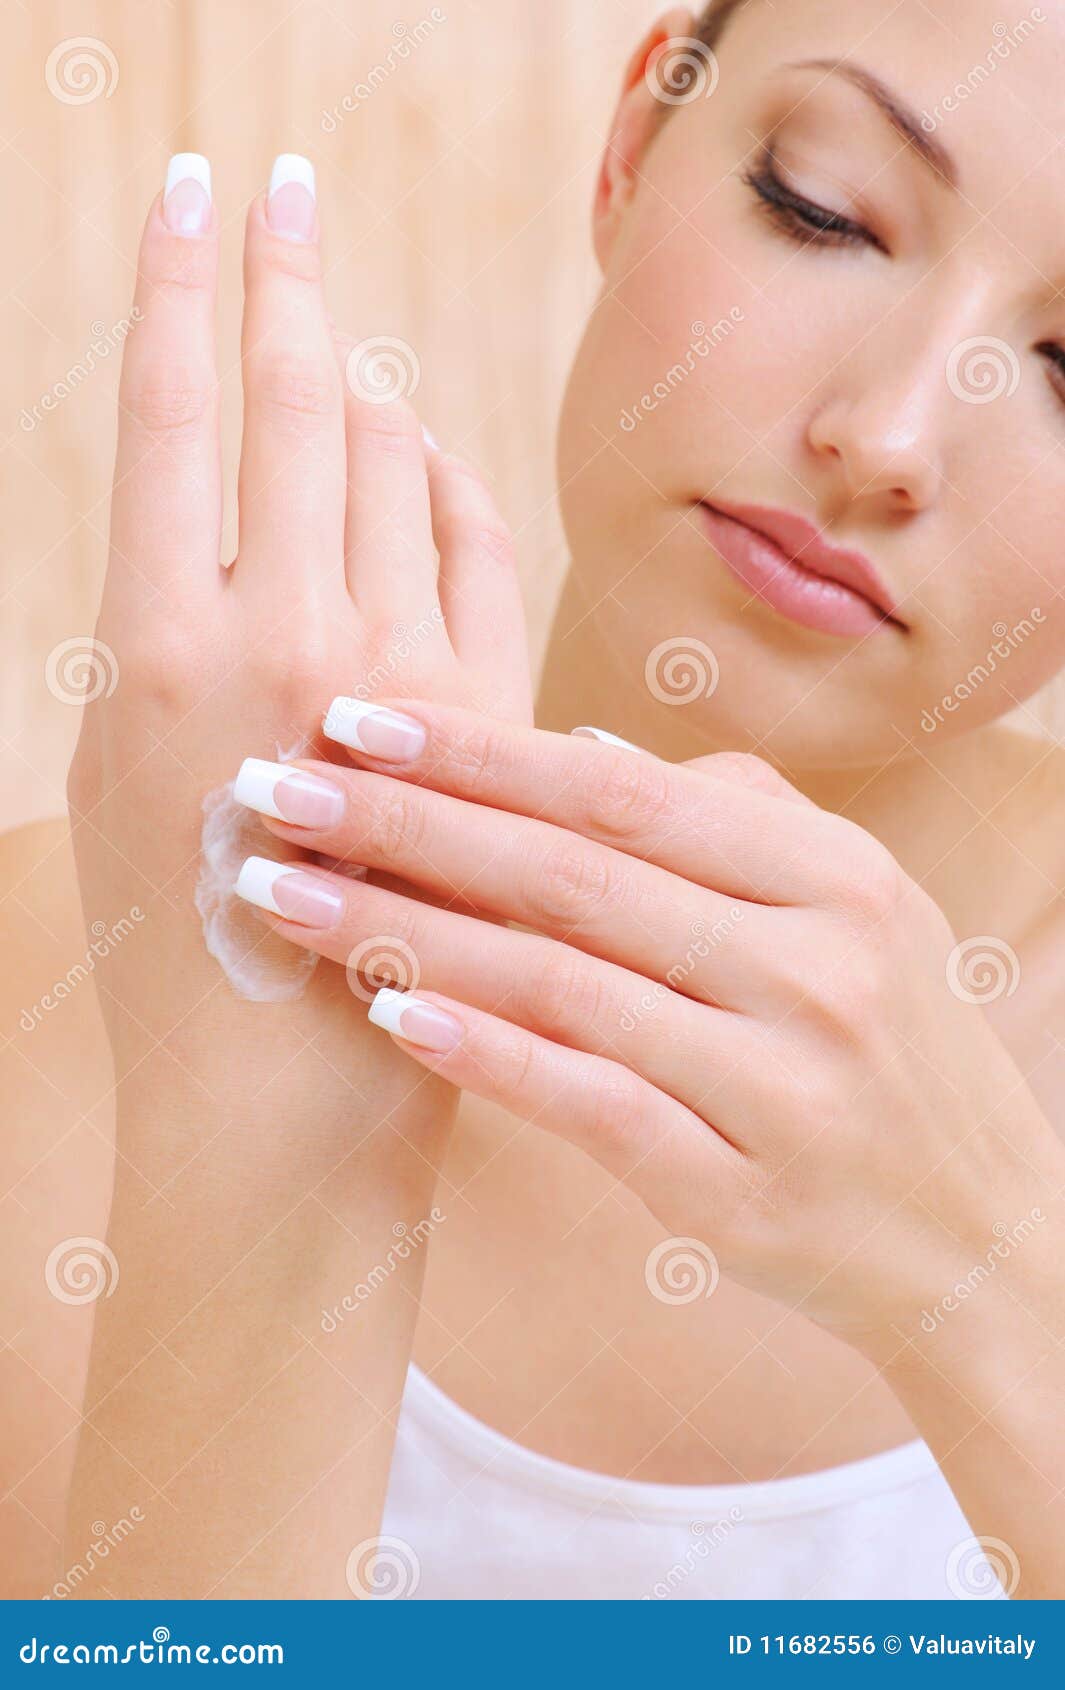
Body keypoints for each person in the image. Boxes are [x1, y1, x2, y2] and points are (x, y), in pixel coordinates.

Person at [3, 0, 1063, 1600]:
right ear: (634, 146)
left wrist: (988, 1286)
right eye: (821, 207)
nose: (889, 438)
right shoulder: (67, 989)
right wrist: (264, 1175)